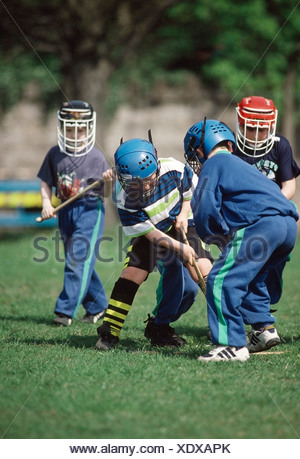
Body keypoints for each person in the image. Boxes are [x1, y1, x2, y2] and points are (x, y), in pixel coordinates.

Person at [183, 118, 298, 362]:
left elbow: (204, 207)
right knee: (251, 277)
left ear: (201, 149)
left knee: (220, 279)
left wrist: (210, 234)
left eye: (195, 152)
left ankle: (231, 345)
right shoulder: (238, 162)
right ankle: (262, 330)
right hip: (287, 225)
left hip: (263, 226)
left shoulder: (214, 163)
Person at [95, 137, 212, 350]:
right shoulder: (123, 198)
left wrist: (184, 214)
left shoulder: (175, 169)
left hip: (180, 224)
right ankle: (109, 331)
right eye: (136, 183)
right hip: (151, 232)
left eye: (149, 179)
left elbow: (188, 194)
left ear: (156, 166)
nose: (145, 187)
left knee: (201, 269)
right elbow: (151, 234)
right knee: (132, 274)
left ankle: (226, 327)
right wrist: (179, 248)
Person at [37, 100, 111, 326]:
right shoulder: (54, 154)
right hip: (65, 210)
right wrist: (46, 203)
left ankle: (64, 312)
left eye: (81, 129)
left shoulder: (97, 157)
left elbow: (106, 193)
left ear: (89, 129)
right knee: (79, 259)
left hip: (90, 209)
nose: (76, 133)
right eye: (70, 128)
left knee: (77, 259)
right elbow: (45, 181)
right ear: (62, 128)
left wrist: (108, 182)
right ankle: (98, 306)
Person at [234, 96, 300, 342]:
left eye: (262, 129)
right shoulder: (232, 147)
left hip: (275, 217)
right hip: (244, 218)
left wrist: (271, 206)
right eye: (251, 127)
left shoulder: (280, 145)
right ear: (241, 123)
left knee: (272, 272)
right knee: (249, 269)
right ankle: (254, 322)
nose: (256, 134)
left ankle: (260, 316)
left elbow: (289, 184)